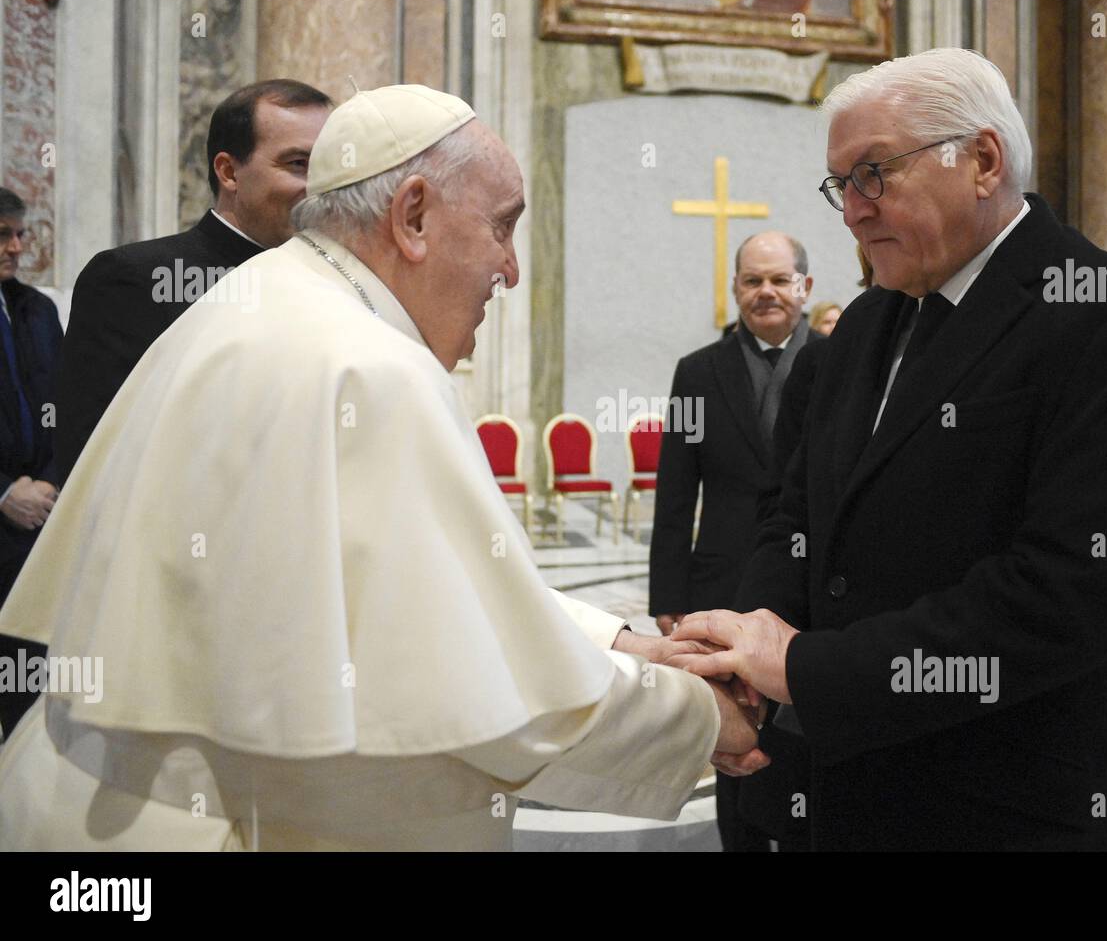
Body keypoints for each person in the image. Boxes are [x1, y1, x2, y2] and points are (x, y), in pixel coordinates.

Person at [0, 85, 766, 850]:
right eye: (502, 228)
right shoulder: (369, 368)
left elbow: (416, 592)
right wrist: (701, 717)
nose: (510, 269)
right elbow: (495, 693)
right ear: (412, 216)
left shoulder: (265, 301)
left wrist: (620, 646)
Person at [667, 48, 1107, 851]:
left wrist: (809, 670)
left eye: (873, 174)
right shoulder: (861, 332)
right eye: (839, 183)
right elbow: (796, 513)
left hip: (1018, 807)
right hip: (854, 793)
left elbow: (1067, 593)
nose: (850, 211)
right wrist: (755, 640)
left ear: (982, 160)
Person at [53, 78, 333, 485]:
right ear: (228, 172)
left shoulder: (333, 283)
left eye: (327, 167)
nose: (318, 188)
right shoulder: (135, 279)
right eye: (297, 164)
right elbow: (94, 462)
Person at [649, 230, 819, 851]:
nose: (766, 293)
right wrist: (669, 591)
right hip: (720, 578)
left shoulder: (838, 362)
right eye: (753, 281)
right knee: (733, 731)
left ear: (805, 286)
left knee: (802, 728)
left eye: (779, 280)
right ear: (736, 290)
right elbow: (674, 492)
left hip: (807, 584)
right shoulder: (698, 372)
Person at [0, 187, 63, 740]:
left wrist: (52, 482)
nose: (17, 246)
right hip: (5, 511)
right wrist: (3, 492)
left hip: (39, 525)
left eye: (20, 234)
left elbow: (69, 405)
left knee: (29, 693)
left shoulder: (38, 310)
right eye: (4, 234)